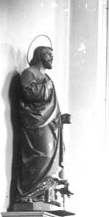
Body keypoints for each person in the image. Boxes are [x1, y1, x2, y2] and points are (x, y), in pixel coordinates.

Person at [13, 44, 72, 207]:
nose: (52, 58)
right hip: (35, 124)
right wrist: (47, 87)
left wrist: (61, 117)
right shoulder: (29, 73)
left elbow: (51, 107)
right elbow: (28, 93)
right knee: (41, 156)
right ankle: (28, 194)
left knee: (51, 158)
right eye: (48, 55)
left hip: (51, 125)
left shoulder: (48, 79)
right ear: (39, 56)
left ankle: (45, 195)